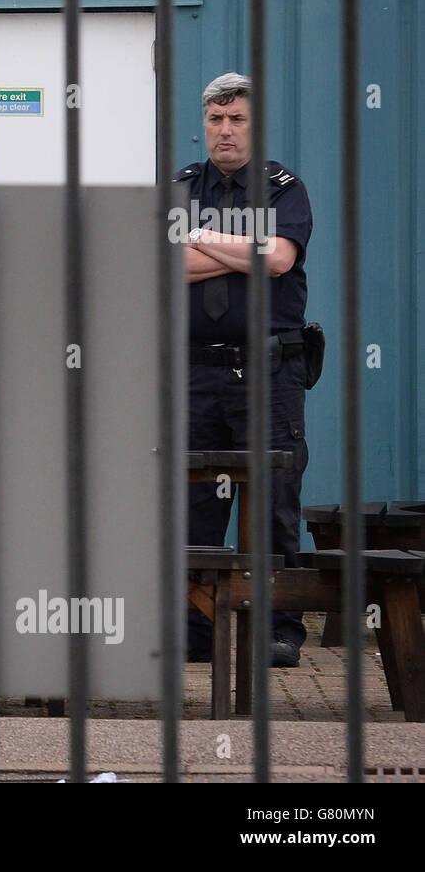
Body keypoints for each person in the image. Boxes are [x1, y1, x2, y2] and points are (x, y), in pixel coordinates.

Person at [177, 72, 314, 668]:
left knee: (273, 498)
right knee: (197, 503)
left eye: (237, 120)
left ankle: (278, 628)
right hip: (196, 373)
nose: (225, 131)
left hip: (268, 374)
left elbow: (280, 259)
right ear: (203, 123)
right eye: (216, 119)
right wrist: (241, 252)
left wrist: (203, 238)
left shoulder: (284, 188)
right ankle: (197, 628)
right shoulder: (180, 186)